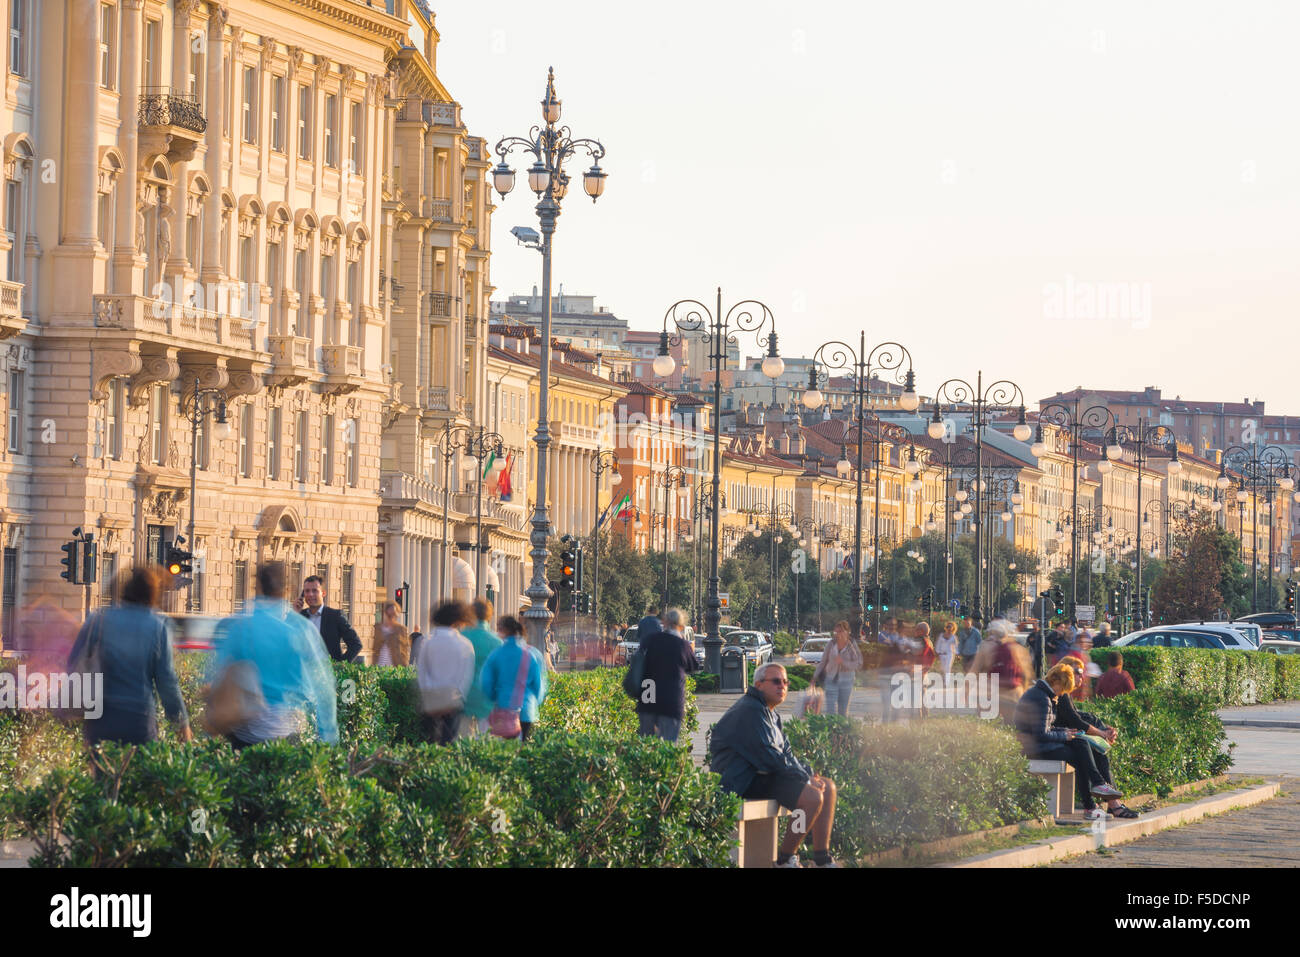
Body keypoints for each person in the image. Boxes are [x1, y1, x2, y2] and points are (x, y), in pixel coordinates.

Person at [709, 662, 840, 867]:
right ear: (759, 684)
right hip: (741, 781)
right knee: (811, 798)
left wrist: (809, 775)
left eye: (786, 682)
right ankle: (785, 859)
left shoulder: (770, 713)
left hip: (761, 775)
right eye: (776, 681)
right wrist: (805, 780)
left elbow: (786, 753)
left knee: (828, 787)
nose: (783, 686)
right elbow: (769, 756)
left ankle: (822, 858)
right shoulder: (750, 710)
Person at [209, 561, 338, 748]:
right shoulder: (301, 629)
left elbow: (217, 677)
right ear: (288, 590)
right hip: (288, 729)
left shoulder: (239, 628)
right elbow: (324, 687)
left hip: (246, 732)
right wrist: (328, 738)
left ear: (258, 588)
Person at [66, 566, 191, 746]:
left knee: (102, 770)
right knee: (140, 771)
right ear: (152, 595)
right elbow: (167, 682)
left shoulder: (98, 620)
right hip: (139, 719)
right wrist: (181, 724)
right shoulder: (158, 626)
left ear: (125, 591)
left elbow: (73, 662)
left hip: (100, 718)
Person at [1013, 663, 1121, 821]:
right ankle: (1091, 801)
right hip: (1032, 747)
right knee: (1079, 754)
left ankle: (1095, 791)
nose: (1061, 694)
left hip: (1038, 743)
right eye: (1062, 690)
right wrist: (1064, 736)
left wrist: (1066, 732)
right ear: (1056, 683)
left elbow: (1047, 728)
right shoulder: (1042, 698)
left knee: (1080, 742)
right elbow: (1040, 734)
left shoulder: (1045, 695)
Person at [1056, 655, 1137, 819]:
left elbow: (1082, 716)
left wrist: (1104, 728)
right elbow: (1075, 720)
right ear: (1065, 673)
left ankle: (1111, 802)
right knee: (1089, 750)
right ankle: (1109, 803)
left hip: (1067, 739)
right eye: (1077, 672)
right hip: (1058, 740)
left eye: (1081, 672)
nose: (1081, 676)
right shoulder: (1061, 694)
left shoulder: (1065, 695)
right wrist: (1102, 733)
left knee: (1096, 750)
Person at [636, 607, 700, 742]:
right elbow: (693, 666)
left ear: (664, 622)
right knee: (667, 745)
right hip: (670, 700)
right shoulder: (682, 645)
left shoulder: (650, 640)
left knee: (646, 744)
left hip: (648, 696)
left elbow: (638, 660)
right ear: (681, 626)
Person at [480, 615, 548, 741]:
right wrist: (535, 703)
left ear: (502, 631)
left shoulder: (496, 654)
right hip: (526, 710)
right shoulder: (530, 654)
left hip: (504, 708)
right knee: (522, 748)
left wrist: (494, 697)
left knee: (505, 751)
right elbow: (538, 685)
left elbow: (485, 682)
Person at [417, 602, 477, 744]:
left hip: (431, 698)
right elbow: (466, 675)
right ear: (458, 620)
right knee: (448, 740)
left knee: (429, 741)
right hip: (452, 699)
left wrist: (427, 690)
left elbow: (422, 672)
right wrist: (459, 694)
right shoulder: (465, 644)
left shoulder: (427, 642)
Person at [460, 599, 503, 735]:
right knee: (485, 743)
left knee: (463, 742)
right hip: (488, 700)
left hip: (463, 697)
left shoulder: (462, 637)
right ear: (489, 616)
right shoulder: (497, 642)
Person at [300, 575, 361, 662]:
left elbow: (356, 644)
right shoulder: (300, 616)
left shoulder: (335, 616)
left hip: (326, 673)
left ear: (323, 593)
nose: (310, 594)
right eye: (307, 591)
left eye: (315, 591)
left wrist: (340, 665)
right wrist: (294, 613)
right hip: (303, 672)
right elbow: (285, 641)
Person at [811, 620, 861, 716]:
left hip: (846, 679)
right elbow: (823, 661)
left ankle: (841, 730)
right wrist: (814, 677)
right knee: (830, 710)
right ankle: (831, 729)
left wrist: (843, 662)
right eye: (836, 632)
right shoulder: (831, 643)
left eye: (841, 631)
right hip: (831, 678)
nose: (838, 634)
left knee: (843, 710)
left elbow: (858, 663)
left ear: (847, 632)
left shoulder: (851, 645)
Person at [373, 601, 411, 667]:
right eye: (390, 615)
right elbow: (375, 648)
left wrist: (405, 665)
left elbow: (405, 650)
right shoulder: (378, 628)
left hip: (395, 665)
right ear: (385, 613)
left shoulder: (401, 629)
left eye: (394, 614)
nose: (392, 617)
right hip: (379, 665)